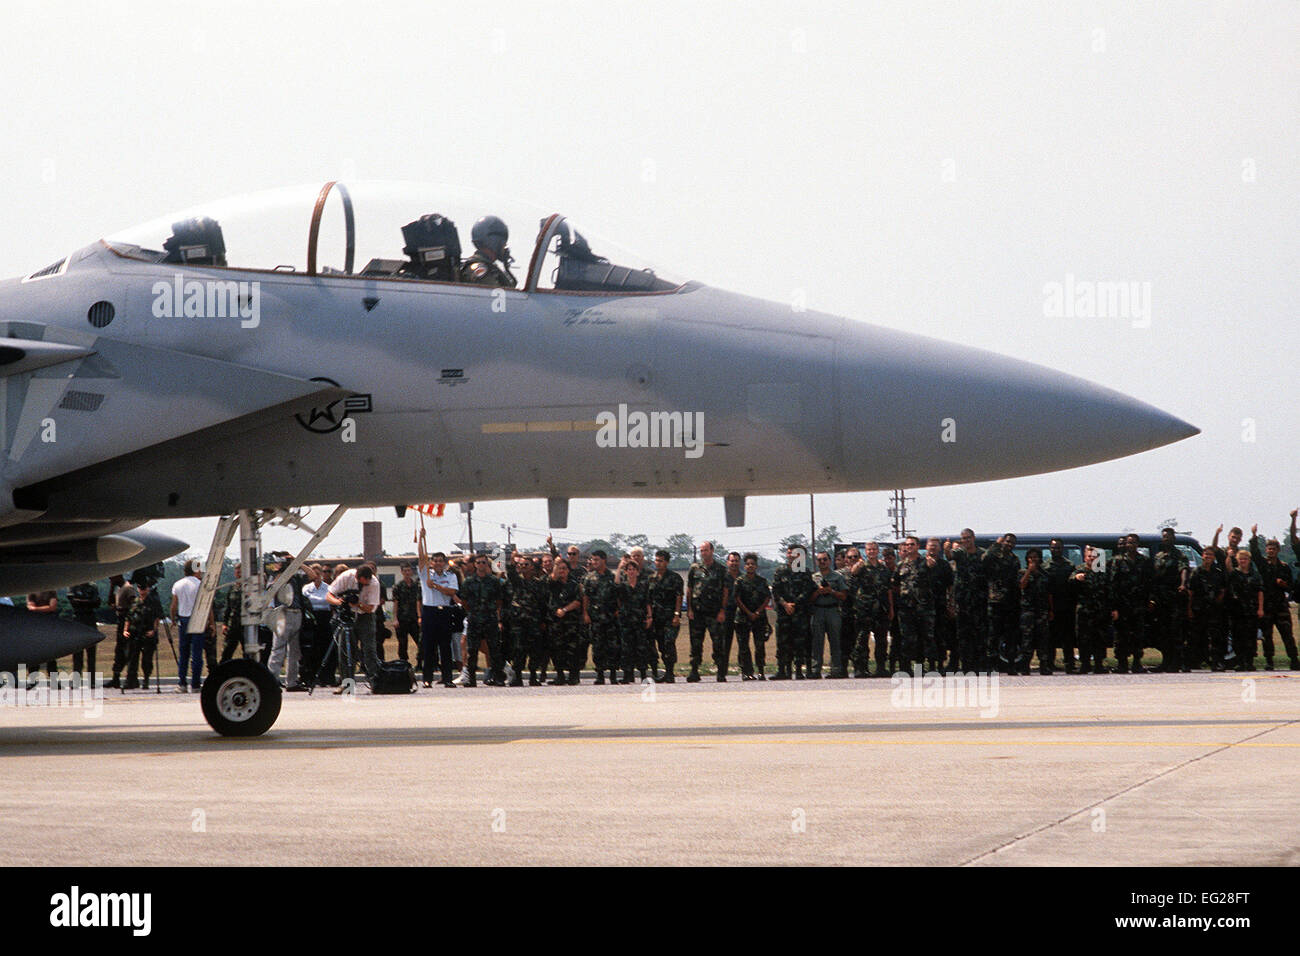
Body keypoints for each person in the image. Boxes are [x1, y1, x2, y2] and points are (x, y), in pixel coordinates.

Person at [1248, 525, 1297, 670]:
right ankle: (1269, 661)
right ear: (1266, 550)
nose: (1271, 551)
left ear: (1278, 550)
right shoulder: (1263, 564)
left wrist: (1283, 584)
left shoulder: (1284, 567)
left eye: (1273, 549)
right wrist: (1254, 536)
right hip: (1267, 605)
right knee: (1267, 636)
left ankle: (1294, 659)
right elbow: (1255, 553)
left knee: (1287, 634)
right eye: (1269, 548)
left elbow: (1291, 587)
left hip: (1281, 606)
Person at [326, 564, 381, 690]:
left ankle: (375, 682)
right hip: (347, 615)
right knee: (345, 650)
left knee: (369, 650)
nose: (363, 586)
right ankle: (347, 684)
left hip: (365, 616)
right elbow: (328, 595)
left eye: (366, 584)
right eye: (361, 583)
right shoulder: (346, 576)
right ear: (356, 576)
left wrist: (358, 604)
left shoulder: (374, 583)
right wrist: (339, 602)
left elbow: (370, 608)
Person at [416, 534, 458, 687]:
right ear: (432, 563)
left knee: (445, 647)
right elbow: (421, 557)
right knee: (429, 646)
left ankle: (447, 678)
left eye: (441, 561)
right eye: (436, 561)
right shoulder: (426, 573)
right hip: (429, 612)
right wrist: (421, 539)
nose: (438, 563)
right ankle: (427, 679)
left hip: (445, 612)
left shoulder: (451, 576)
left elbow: (451, 592)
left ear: (445, 563)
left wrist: (436, 586)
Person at [685, 541, 730, 682]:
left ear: (712, 551)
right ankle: (694, 671)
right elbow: (690, 589)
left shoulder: (721, 569)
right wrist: (690, 609)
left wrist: (722, 610)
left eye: (706, 550)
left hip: (714, 612)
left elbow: (725, 591)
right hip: (697, 612)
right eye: (701, 550)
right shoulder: (695, 568)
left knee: (718, 643)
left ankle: (720, 672)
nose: (703, 553)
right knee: (696, 643)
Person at [1109, 534, 1153, 673]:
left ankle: (1137, 663)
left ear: (1138, 544)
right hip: (1122, 605)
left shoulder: (1144, 561)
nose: (1131, 545)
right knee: (1121, 635)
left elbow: (1149, 582)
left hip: (1139, 605)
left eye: (1134, 542)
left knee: (1138, 635)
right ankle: (1122, 664)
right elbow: (1112, 584)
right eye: (1129, 543)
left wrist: (1150, 600)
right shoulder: (1118, 561)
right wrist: (1114, 607)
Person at [460, 554, 505, 686]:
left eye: (484, 563)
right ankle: (471, 679)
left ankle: (497, 677)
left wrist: (491, 612)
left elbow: (498, 601)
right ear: (475, 564)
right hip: (474, 619)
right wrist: (473, 611)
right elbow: (464, 601)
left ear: (487, 565)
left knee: (494, 649)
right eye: (478, 562)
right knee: (472, 650)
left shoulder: (494, 581)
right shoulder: (468, 582)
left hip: (490, 619)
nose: (481, 565)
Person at [771, 546, 814, 680]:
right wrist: (785, 604)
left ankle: (799, 671)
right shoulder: (780, 571)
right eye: (789, 552)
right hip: (784, 613)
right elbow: (775, 591)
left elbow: (807, 591)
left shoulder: (805, 572)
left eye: (794, 553)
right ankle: (783, 670)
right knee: (783, 642)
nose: (791, 555)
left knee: (799, 643)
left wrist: (794, 604)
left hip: (799, 613)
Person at [948, 530, 987, 672]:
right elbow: (949, 555)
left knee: (980, 635)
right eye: (963, 539)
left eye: (968, 538)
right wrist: (947, 549)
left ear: (973, 538)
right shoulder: (960, 553)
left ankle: (981, 666)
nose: (966, 541)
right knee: (964, 636)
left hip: (979, 601)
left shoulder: (982, 553)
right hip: (963, 602)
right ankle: (966, 667)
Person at [1073, 545, 1115, 673]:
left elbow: (1110, 591)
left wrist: (1113, 608)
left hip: (1100, 611)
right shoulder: (1079, 570)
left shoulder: (1103, 571)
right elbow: (1069, 582)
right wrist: (1076, 578)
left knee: (1100, 638)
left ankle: (1099, 664)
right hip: (1084, 612)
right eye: (1089, 556)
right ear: (1085, 558)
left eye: (1094, 556)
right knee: (1083, 639)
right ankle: (1085, 664)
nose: (1092, 559)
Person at [581, 550, 620, 685]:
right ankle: (600, 674)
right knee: (597, 647)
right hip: (596, 618)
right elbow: (585, 597)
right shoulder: (589, 578)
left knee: (613, 647)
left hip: (610, 618)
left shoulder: (612, 576)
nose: (593, 562)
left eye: (596, 560)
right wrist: (585, 614)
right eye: (592, 560)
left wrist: (618, 610)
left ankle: (613, 674)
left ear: (604, 560)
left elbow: (618, 596)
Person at [982, 534, 1020, 672]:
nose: (1009, 544)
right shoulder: (993, 556)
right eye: (1007, 541)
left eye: (1012, 543)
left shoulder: (1014, 559)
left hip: (1011, 602)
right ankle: (992, 665)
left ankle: (1011, 665)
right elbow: (984, 559)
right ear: (1002, 542)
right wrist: (995, 545)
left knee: (1011, 635)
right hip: (995, 601)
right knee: (993, 634)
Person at [1188, 545, 1228, 671]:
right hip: (1199, 609)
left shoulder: (1218, 572)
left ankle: (1217, 662)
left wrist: (1218, 603)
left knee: (1216, 637)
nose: (1208, 557)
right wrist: (1189, 609)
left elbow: (1222, 590)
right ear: (1202, 556)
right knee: (1196, 636)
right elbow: (1191, 592)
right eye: (1206, 554)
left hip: (1214, 609)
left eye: (1210, 555)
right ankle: (1193, 662)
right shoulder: (1196, 572)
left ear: (1214, 557)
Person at [809, 551, 848, 678]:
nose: (822, 562)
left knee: (835, 641)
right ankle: (816, 670)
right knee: (817, 642)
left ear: (829, 561)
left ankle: (836, 669)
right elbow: (808, 599)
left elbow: (843, 596)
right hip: (818, 611)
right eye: (819, 560)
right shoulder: (813, 578)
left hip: (833, 611)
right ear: (816, 562)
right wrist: (818, 592)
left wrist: (831, 591)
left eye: (825, 559)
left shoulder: (837, 577)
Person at [733, 553, 771, 680]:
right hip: (743, 617)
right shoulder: (739, 581)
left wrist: (757, 612)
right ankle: (746, 672)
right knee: (743, 646)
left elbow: (767, 598)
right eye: (748, 564)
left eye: (753, 564)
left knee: (759, 645)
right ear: (744, 566)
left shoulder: (762, 581)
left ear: (756, 566)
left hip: (759, 617)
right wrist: (748, 613)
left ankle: (761, 671)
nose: (750, 566)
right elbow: (737, 598)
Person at [647, 550, 684, 682]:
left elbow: (679, 597)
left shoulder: (674, 578)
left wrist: (676, 615)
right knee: (661, 645)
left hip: (670, 617)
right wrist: (649, 616)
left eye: (661, 560)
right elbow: (649, 599)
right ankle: (663, 673)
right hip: (656, 618)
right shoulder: (652, 578)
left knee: (669, 643)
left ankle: (670, 672)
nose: (658, 563)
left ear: (667, 562)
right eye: (656, 560)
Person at [169, 561, 205, 692]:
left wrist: (173, 619)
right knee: (197, 653)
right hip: (197, 618)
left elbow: (173, 605)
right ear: (196, 570)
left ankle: (182, 683)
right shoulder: (200, 584)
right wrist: (210, 623)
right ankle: (195, 684)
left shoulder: (178, 584)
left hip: (183, 619)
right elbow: (207, 606)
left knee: (183, 653)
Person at [1225, 550, 1264, 671]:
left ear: (1249, 560)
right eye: (1240, 559)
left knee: (1251, 638)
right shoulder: (1234, 574)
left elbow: (1260, 592)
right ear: (1237, 560)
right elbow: (1228, 566)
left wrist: (1260, 609)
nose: (1243, 561)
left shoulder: (1255, 575)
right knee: (1238, 638)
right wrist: (1228, 556)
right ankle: (1240, 662)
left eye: (1245, 559)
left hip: (1251, 610)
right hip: (1237, 611)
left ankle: (1250, 662)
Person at [1044, 539, 1078, 673]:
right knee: (1050, 638)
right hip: (1051, 607)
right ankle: (1049, 664)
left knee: (1068, 638)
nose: (1056, 550)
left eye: (1058, 548)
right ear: (1049, 549)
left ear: (1062, 549)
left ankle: (1069, 664)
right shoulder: (1045, 566)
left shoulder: (1069, 565)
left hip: (1067, 607)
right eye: (1053, 548)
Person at [616, 559, 653, 683]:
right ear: (626, 572)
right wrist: (619, 568)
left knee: (641, 648)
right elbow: (618, 600)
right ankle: (628, 674)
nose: (631, 572)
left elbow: (647, 602)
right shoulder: (623, 586)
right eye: (629, 569)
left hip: (639, 620)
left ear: (638, 572)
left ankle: (643, 674)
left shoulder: (643, 585)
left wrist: (649, 617)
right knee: (627, 648)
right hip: (626, 621)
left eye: (634, 569)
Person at [547, 559, 583, 684]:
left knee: (572, 649)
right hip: (556, 622)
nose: (562, 571)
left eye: (564, 568)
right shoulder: (552, 583)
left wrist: (564, 610)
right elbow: (550, 579)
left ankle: (574, 676)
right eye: (559, 568)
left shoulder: (574, 584)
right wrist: (555, 569)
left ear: (568, 570)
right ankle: (560, 675)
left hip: (570, 622)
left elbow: (578, 601)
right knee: (557, 649)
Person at [122, 582, 163, 690]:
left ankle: (146, 680)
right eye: (140, 588)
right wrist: (125, 630)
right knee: (132, 658)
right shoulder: (135, 602)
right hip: (135, 633)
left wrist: (154, 631)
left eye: (144, 588)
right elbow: (129, 617)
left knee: (147, 660)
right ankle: (130, 681)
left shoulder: (153, 602)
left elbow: (157, 618)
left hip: (147, 634)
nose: (142, 590)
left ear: (148, 589)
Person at [1018, 548, 1052, 674]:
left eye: (1036, 557)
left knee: (1043, 639)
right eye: (1031, 557)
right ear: (1027, 559)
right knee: (1027, 640)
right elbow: (1021, 585)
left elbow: (1049, 594)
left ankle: (1044, 665)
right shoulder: (1022, 572)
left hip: (1042, 611)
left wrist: (1051, 610)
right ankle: (1025, 666)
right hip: (1028, 611)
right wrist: (1029, 571)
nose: (1033, 560)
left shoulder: (1045, 574)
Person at [459, 215, 517, 287]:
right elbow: (495, 294)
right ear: (494, 242)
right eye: (503, 243)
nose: (505, 247)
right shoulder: (479, 269)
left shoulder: (489, 267)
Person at [106, 576, 137, 688]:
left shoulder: (128, 588)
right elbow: (110, 603)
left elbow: (134, 605)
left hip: (126, 620)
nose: (111, 580)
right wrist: (111, 587)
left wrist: (128, 621)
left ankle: (131, 678)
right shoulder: (119, 589)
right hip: (120, 619)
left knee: (127, 650)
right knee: (119, 650)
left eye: (112, 579)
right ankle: (116, 678)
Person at [67, 581, 102, 677]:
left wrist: (81, 601)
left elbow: (97, 602)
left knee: (91, 653)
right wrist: (88, 601)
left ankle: (92, 680)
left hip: (90, 618)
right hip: (78, 618)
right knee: (77, 653)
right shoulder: (73, 586)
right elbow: (73, 602)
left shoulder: (93, 586)